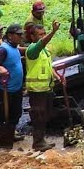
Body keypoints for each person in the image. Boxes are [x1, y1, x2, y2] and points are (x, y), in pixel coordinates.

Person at [0, 23, 26, 150]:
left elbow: (20, 50)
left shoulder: (14, 47)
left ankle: (9, 135)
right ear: (10, 35)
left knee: (15, 113)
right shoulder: (3, 49)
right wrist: (0, 69)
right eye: (18, 34)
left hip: (16, 89)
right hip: (3, 89)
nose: (21, 36)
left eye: (21, 34)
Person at [24, 20, 61, 152]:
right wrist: (53, 31)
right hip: (37, 89)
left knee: (45, 115)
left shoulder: (44, 51)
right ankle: (38, 143)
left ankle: (41, 140)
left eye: (44, 33)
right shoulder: (33, 49)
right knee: (38, 116)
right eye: (40, 34)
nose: (43, 36)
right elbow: (42, 43)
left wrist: (57, 76)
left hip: (46, 87)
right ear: (32, 36)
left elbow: (48, 66)